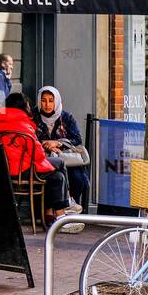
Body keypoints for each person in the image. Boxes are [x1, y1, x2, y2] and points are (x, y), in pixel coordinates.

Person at [0, 92, 83, 233]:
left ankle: (62, 208)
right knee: (58, 176)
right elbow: (38, 156)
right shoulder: (24, 126)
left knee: (58, 165)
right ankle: (62, 215)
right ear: (22, 107)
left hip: (6, 170)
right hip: (25, 170)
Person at [34, 85, 89, 214]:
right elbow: (31, 139)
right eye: (44, 100)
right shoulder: (33, 117)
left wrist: (57, 143)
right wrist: (45, 144)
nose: (47, 104)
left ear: (57, 101)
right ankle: (57, 210)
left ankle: (69, 209)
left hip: (66, 158)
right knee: (54, 177)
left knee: (78, 178)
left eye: (51, 100)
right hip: (45, 159)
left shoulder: (66, 117)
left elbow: (77, 139)